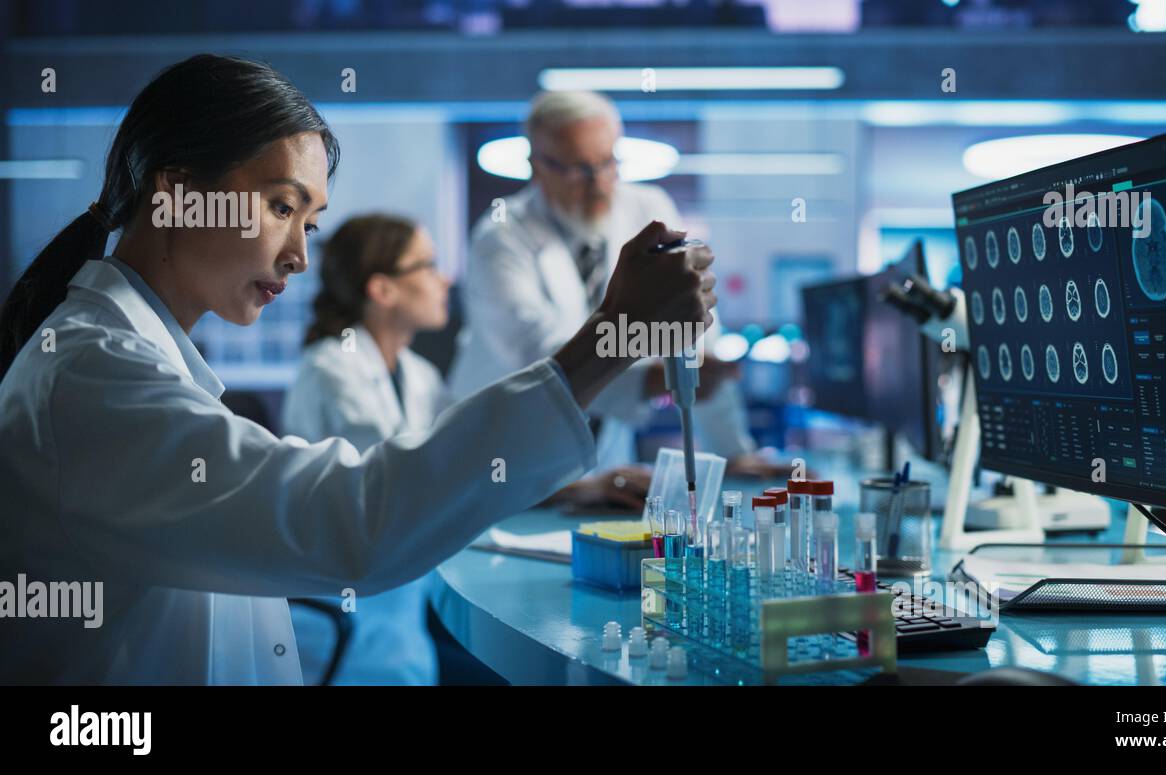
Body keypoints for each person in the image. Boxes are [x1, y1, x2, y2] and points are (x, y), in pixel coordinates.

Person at [0, 54, 715, 685]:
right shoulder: (91, 378)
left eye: (308, 224)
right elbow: (351, 517)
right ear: (179, 191)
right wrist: (610, 340)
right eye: (282, 206)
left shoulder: (132, 361)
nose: (298, 256)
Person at [281, 214, 648, 684]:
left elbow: (474, 461)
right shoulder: (333, 371)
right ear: (383, 289)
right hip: (355, 623)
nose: (445, 278)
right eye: (427, 265)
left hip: (404, 608)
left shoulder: (418, 374)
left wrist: (582, 486)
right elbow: (417, 484)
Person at [450, 90, 785, 479]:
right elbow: (543, 357)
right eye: (578, 169)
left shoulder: (647, 208)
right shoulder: (500, 237)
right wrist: (647, 379)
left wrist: (733, 450)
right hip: (508, 445)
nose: (599, 184)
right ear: (536, 165)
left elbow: (692, 326)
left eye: (607, 162)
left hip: (603, 446)